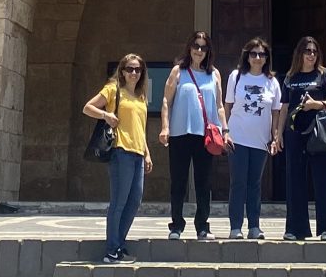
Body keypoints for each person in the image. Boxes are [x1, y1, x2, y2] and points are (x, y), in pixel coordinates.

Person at [84, 53, 154, 264]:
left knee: (134, 201)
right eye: (129, 69)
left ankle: (119, 244)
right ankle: (112, 250)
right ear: (122, 71)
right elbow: (88, 107)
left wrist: (147, 152)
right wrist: (106, 115)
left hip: (138, 154)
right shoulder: (113, 89)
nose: (133, 73)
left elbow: (140, 128)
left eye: (138, 69)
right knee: (119, 202)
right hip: (120, 151)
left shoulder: (141, 96)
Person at [160, 30, 226, 238]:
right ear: (189, 48)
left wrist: (225, 130)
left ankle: (202, 226)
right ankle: (177, 225)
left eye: (203, 47)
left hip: (204, 135)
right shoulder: (178, 71)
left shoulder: (214, 74)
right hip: (180, 133)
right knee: (178, 181)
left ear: (208, 51)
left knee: (204, 183)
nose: (199, 50)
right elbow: (166, 102)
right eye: (196, 46)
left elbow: (220, 105)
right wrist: (165, 127)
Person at [279, 34, 326, 240]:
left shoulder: (323, 75)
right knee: (295, 180)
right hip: (295, 133)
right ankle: (296, 229)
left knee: (323, 180)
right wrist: (278, 134)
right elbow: (284, 107)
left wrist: (316, 105)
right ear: (300, 53)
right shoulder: (290, 77)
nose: (311, 55)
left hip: (318, 132)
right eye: (308, 51)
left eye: (314, 52)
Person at [225, 37, 283, 239]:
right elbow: (228, 106)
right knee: (238, 182)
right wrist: (225, 131)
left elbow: (276, 112)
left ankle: (254, 226)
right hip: (237, 137)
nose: (257, 58)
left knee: (255, 184)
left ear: (267, 58)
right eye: (253, 54)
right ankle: (235, 227)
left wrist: (275, 137)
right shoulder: (236, 76)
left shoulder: (272, 82)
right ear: (247, 56)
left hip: (260, 140)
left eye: (261, 54)